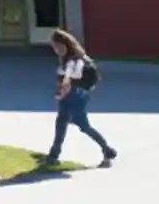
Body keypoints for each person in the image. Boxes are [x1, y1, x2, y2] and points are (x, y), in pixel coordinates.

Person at [44, 29, 117, 168]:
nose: (56, 50)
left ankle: (107, 150)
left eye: (58, 46)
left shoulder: (74, 60)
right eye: (54, 47)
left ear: (66, 45)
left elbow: (68, 80)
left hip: (75, 96)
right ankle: (54, 155)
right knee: (70, 124)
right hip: (75, 95)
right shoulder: (71, 58)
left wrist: (61, 93)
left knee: (75, 124)